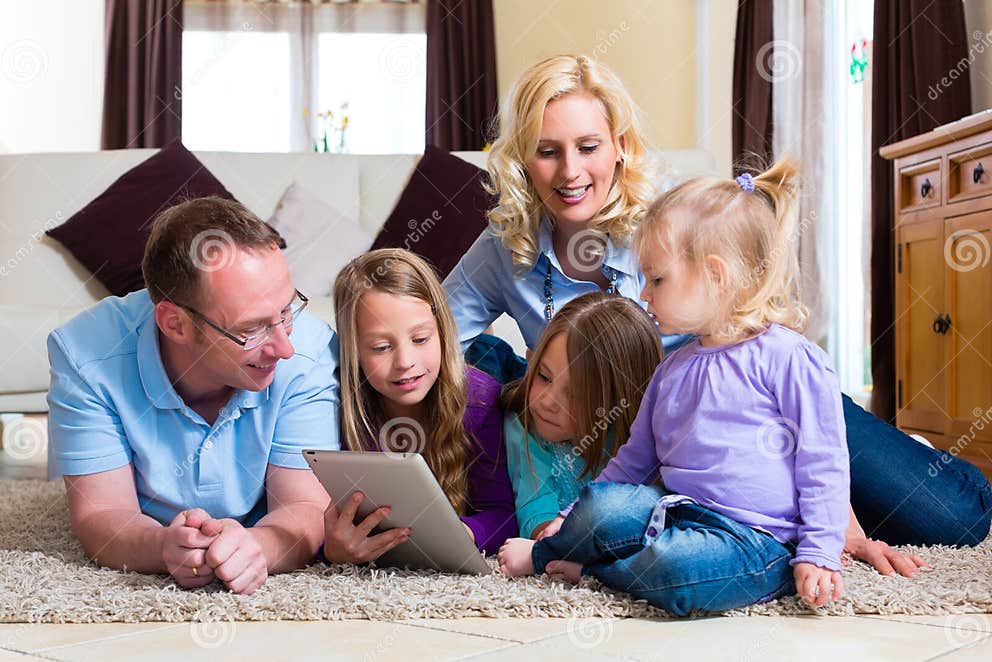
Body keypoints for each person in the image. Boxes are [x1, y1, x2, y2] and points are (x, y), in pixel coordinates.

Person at [446, 54, 990, 572]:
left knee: (958, 519)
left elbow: (763, 328)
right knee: (482, 359)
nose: (571, 171)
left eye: (588, 146)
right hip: (643, 443)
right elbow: (434, 335)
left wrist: (837, 513)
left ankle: (884, 460)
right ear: (522, 157)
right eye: (547, 151)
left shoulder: (667, 220)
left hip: (757, 413)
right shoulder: (506, 244)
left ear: (619, 146)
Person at [498, 159, 850, 614]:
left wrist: (820, 551)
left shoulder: (789, 359)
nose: (644, 294)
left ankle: (591, 570)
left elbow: (824, 462)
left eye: (658, 279)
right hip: (674, 513)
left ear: (716, 275)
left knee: (675, 568)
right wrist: (572, 519)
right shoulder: (671, 371)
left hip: (758, 538)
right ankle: (565, 551)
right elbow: (632, 464)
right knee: (601, 507)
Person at [47, 196, 339, 595]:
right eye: (251, 329)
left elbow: (305, 507)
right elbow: (102, 513)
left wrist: (260, 546)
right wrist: (161, 547)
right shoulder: (84, 355)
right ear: (175, 324)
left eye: (286, 312)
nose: (283, 348)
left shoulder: (308, 350)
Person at [321, 249, 517, 562]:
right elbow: (315, 518)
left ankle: (487, 343)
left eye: (421, 339)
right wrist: (332, 549)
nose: (405, 362)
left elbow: (506, 513)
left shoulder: (482, 401)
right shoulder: (335, 406)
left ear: (441, 330)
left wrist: (463, 534)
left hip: (482, 372)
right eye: (381, 347)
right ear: (353, 350)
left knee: (497, 358)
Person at [501, 292, 662, 539]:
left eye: (575, 395)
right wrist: (547, 537)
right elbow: (534, 505)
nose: (547, 402)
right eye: (544, 377)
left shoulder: (641, 444)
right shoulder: (523, 425)